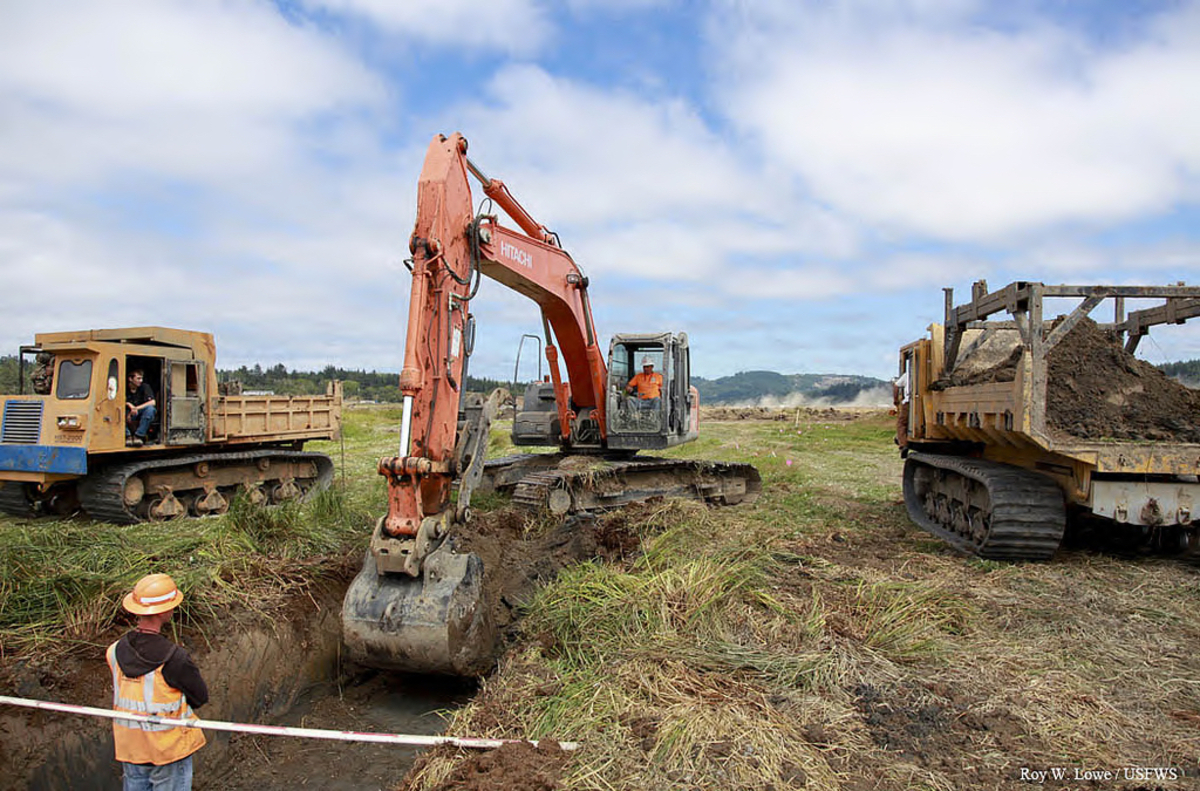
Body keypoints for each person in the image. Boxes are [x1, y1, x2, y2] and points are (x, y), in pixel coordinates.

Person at [108, 573, 208, 790]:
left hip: (131, 747)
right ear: (164, 611)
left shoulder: (114, 651)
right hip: (168, 750)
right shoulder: (174, 659)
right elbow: (200, 696)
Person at [126, 369, 157, 447]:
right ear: (130, 379)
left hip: (139, 412)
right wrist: (128, 404)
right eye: (138, 378)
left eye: (141, 378)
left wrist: (136, 408)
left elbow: (153, 402)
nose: (141, 380)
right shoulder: (124, 387)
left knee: (150, 410)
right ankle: (127, 436)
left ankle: (138, 435)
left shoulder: (145, 387)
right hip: (127, 412)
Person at [893, 368, 911, 456]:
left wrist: (896, 400)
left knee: (901, 423)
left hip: (908, 402)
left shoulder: (907, 374)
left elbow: (896, 386)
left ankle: (903, 445)